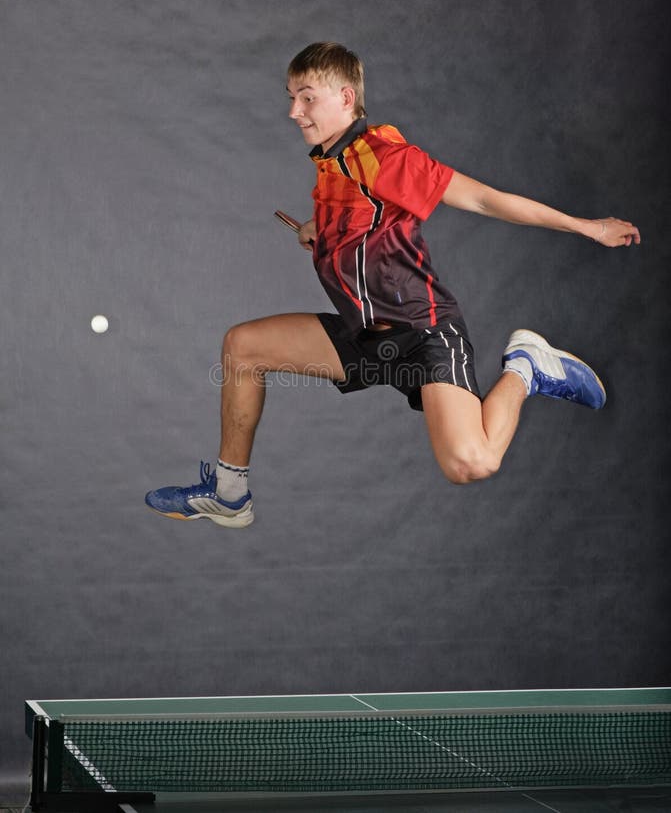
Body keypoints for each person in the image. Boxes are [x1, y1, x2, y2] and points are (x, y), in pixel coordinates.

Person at [145, 42, 640, 528]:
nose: (294, 110)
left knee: (472, 463)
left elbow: (485, 200)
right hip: (367, 337)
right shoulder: (329, 165)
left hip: (423, 331)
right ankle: (230, 496)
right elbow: (363, 224)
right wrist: (317, 230)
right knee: (244, 346)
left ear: (345, 97)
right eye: (291, 96)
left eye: (307, 96)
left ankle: (528, 368)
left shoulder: (383, 154)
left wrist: (587, 227)